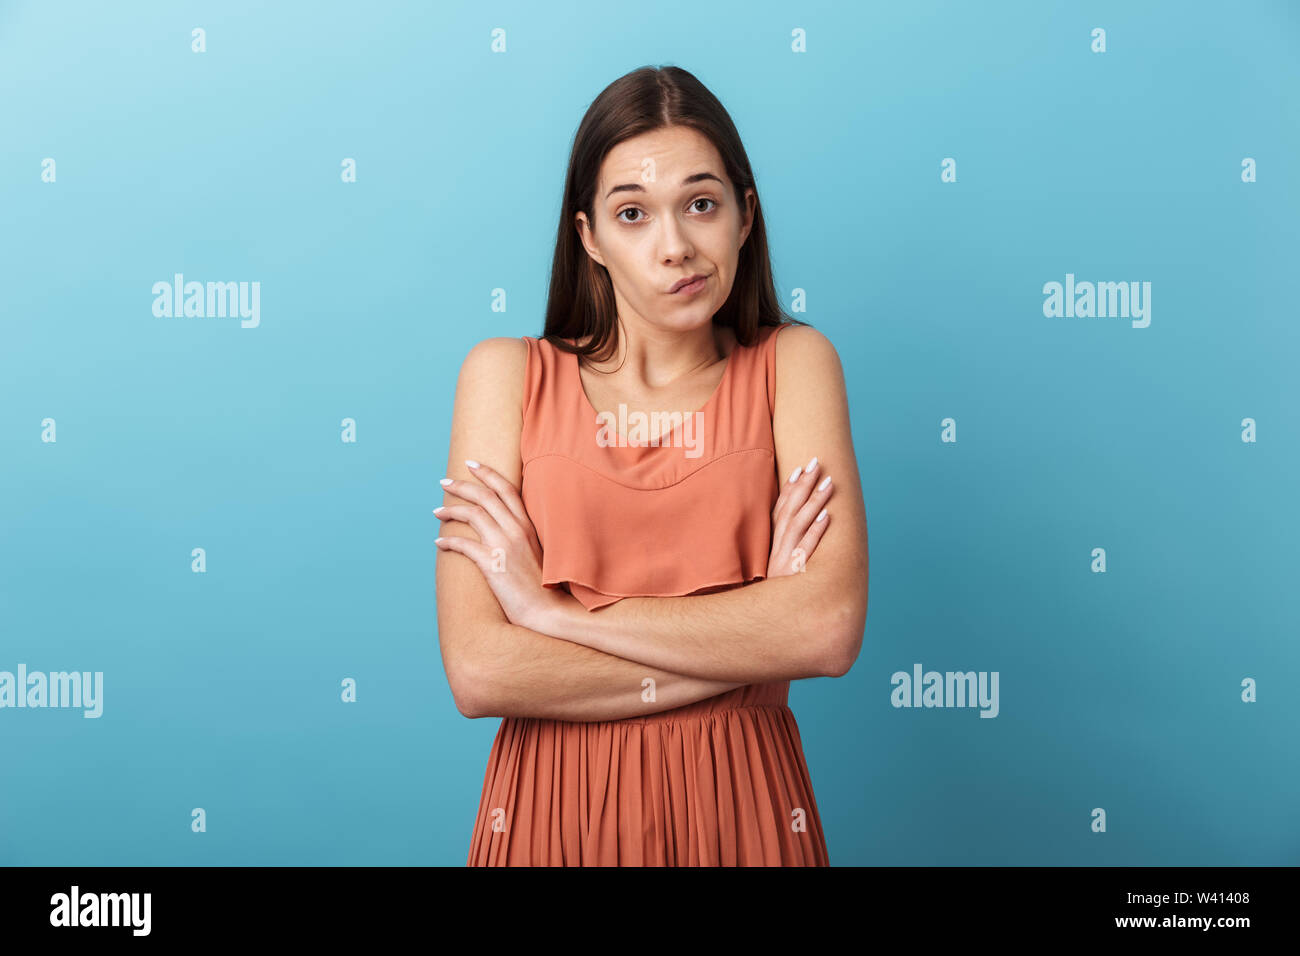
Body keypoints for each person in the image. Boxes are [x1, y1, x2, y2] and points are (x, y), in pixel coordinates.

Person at [434, 65, 869, 865]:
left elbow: (825, 630)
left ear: (746, 217)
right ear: (589, 238)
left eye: (701, 203)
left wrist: (552, 614)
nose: (675, 247)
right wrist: (751, 633)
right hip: (549, 819)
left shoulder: (795, 365)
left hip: (745, 812)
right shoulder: (503, 376)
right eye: (632, 213)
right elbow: (481, 671)